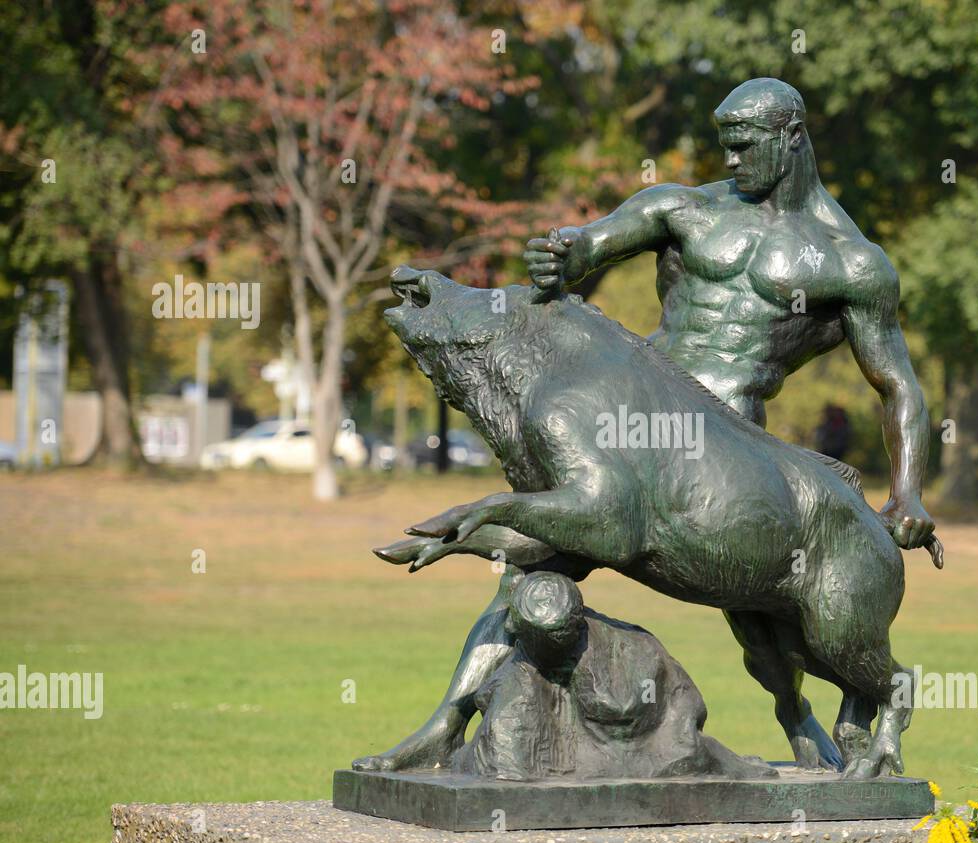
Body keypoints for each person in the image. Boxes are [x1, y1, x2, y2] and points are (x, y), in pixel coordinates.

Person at [355, 77, 935, 774]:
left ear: (791, 137)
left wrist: (908, 492)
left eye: (745, 146)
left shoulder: (853, 263)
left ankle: (805, 718)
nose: (730, 161)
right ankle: (447, 726)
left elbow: (896, 383)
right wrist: (563, 255)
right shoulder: (681, 208)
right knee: (524, 564)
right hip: (631, 416)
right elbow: (591, 245)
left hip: (722, 451)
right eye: (723, 146)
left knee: (768, 629)